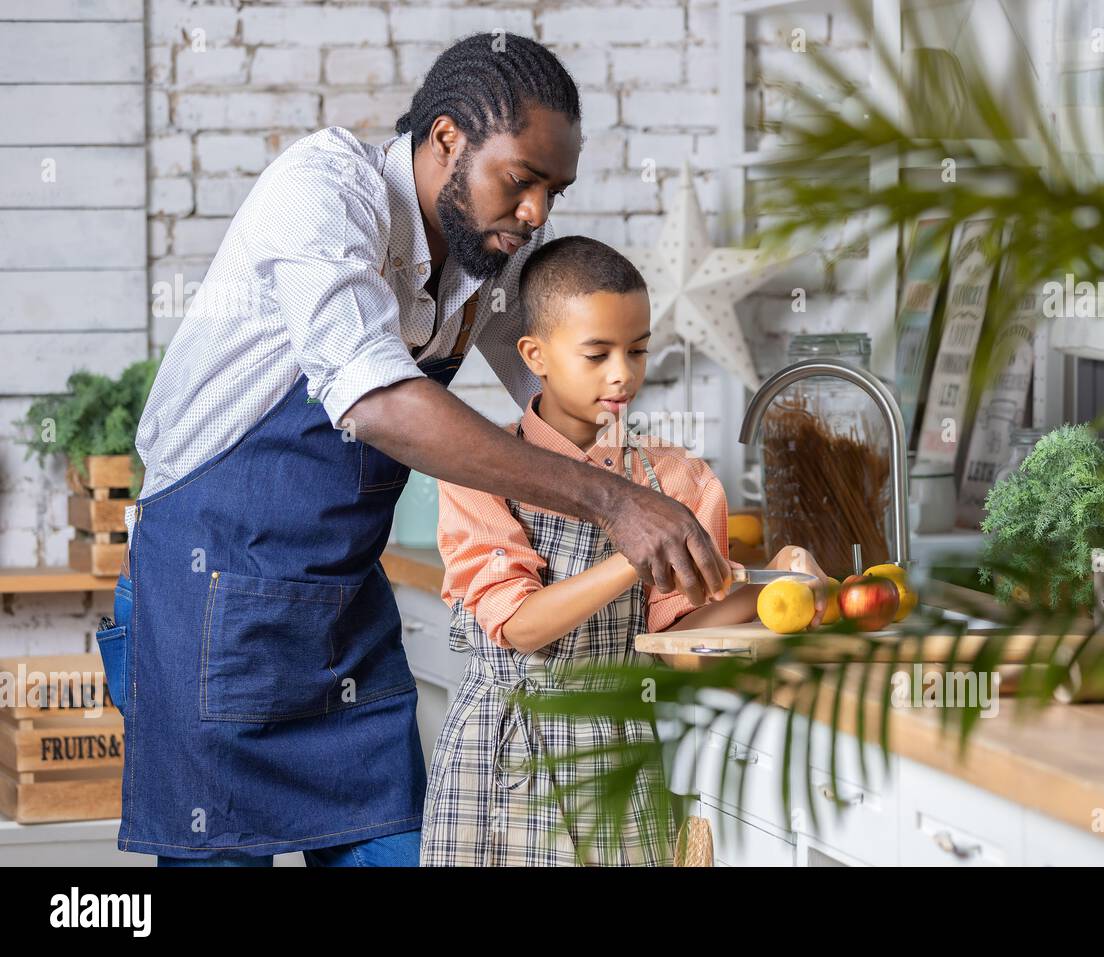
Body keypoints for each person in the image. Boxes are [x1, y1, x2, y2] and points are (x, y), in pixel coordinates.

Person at [99, 34, 729, 868]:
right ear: (445, 141)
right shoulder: (322, 191)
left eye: (554, 190)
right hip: (212, 596)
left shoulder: (488, 250)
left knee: (403, 851)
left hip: (342, 612)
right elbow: (379, 402)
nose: (538, 212)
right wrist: (615, 504)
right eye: (521, 181)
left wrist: (659, 478)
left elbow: (557, 386)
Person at [421, 237, 828, 866]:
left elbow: (674, 630)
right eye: (598, 353)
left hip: (619, 748)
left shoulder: (677, 479)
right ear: (536, 355)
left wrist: (777, 592)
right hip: (504, 760)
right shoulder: (480, 472)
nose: (623, 374)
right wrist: (634, 546)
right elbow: (519, 626)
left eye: (637, 350)